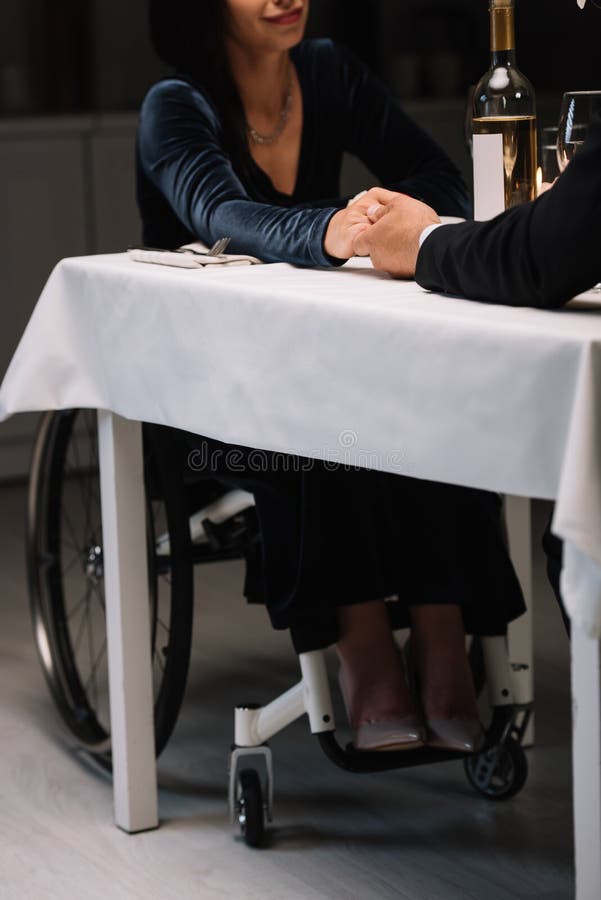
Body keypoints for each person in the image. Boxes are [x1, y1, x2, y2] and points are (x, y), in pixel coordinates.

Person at [139, 0, 525, 752]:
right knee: (331, 419)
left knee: (426, 399)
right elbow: (220, 213)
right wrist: (331, 229)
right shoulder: (174, 106)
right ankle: (364, 649)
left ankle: (442, 638)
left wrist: (395, 215)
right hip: (211, 387)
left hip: (319, 356)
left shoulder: (325, 72)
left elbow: (435, 175)